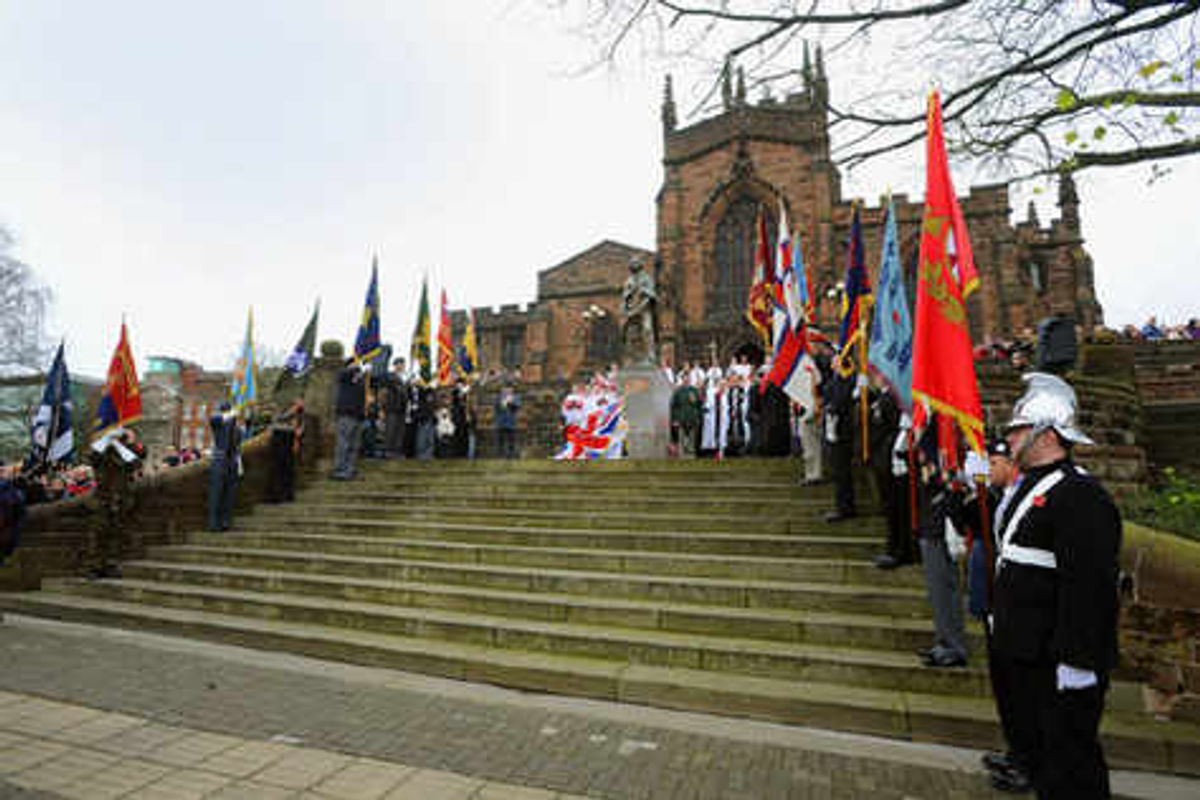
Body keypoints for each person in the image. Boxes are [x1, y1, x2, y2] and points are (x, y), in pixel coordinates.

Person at [992, 372, 1121, 798]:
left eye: (1018, 431)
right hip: (1022, 653)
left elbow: (1089, 587)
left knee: (1071, 769)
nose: (1009, 440)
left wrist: (1078, 662)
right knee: (1041, 762)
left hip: (1054, 659)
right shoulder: (1031, 487)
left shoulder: (1079, 495)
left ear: (1046, 434)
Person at [822, 356, 857, 522]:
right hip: (832, 431)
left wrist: (832, 407)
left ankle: (845, 507)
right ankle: (841, 505)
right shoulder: (833, 382)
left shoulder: (847, 380)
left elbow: (843, 401)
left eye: (836, 361)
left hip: (843, 432)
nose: (832, 364)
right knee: (838, 471)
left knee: (843, 472)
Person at [208, 403, 242, 531]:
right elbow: (214, 419)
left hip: (232, 461)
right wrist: (229, 415)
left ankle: (225, 521)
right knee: (216, 493)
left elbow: (237, 447)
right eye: (227, 411)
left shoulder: (237, 429)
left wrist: (239, 464)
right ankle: (213, 522)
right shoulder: (218, 423)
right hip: (220, 460)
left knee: (229, 494)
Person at [331, 359, 366, 479]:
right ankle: (339, 470)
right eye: (354, 363)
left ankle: (349, 470)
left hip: (358, 415)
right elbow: (342, 374)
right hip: (346, 414)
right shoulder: (344, 375)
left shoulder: (361, 380)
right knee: (343, 444)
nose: (357, 365)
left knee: (354, 446)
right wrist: (354, 368)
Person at [266, 399, 303, 503]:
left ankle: (287, 494)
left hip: (289, 434)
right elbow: (278, 417)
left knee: (288, 466)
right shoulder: (279, 400)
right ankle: (276, 495)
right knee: (278, 465)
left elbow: (298, 420)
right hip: (279, 433)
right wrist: (292, 410)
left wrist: (297, 437)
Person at [384, 357, 409, 459]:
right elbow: (393, 385)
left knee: (400, 431)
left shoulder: (404, 378)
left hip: (402, 408)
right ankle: (389, 451)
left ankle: (397, 451)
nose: (403, 366)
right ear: (396, 365)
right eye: (401, 364)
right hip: (392, 407)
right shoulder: (391, 376)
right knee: (391, 430)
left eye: (403, 364)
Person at [494, 383, 522, 459]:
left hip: (511, 422)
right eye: (505, 388)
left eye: (509, 389)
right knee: (500, 440)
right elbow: (496, 406)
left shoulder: (515, 397)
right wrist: (502, 403)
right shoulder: (499, 397)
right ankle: (500, 455)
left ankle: (510, 455)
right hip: (501, 422)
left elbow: (518, 406)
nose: (507, 390)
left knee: (511, 440)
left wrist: (510, 403)